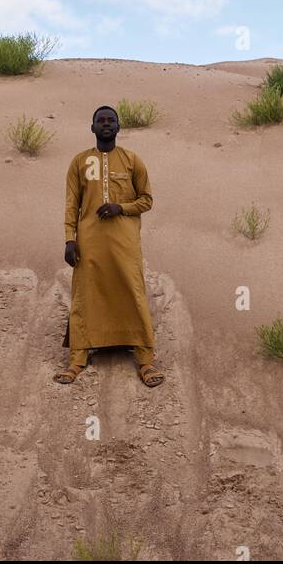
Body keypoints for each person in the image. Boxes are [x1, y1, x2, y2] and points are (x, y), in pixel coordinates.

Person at [54, 105, 165, 387]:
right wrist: (69, 239)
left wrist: (120, 207)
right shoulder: (79, 162)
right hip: (89, 243)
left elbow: (147, 200)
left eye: (111, 120)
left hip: (124, 243)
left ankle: (145, 359)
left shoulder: (131, 160)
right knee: (85, 294)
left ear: (118, 127)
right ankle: (77, 359)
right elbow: (71, 204)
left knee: (132, 291)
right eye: (100, 121)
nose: (106, 124)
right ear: (92, 128)